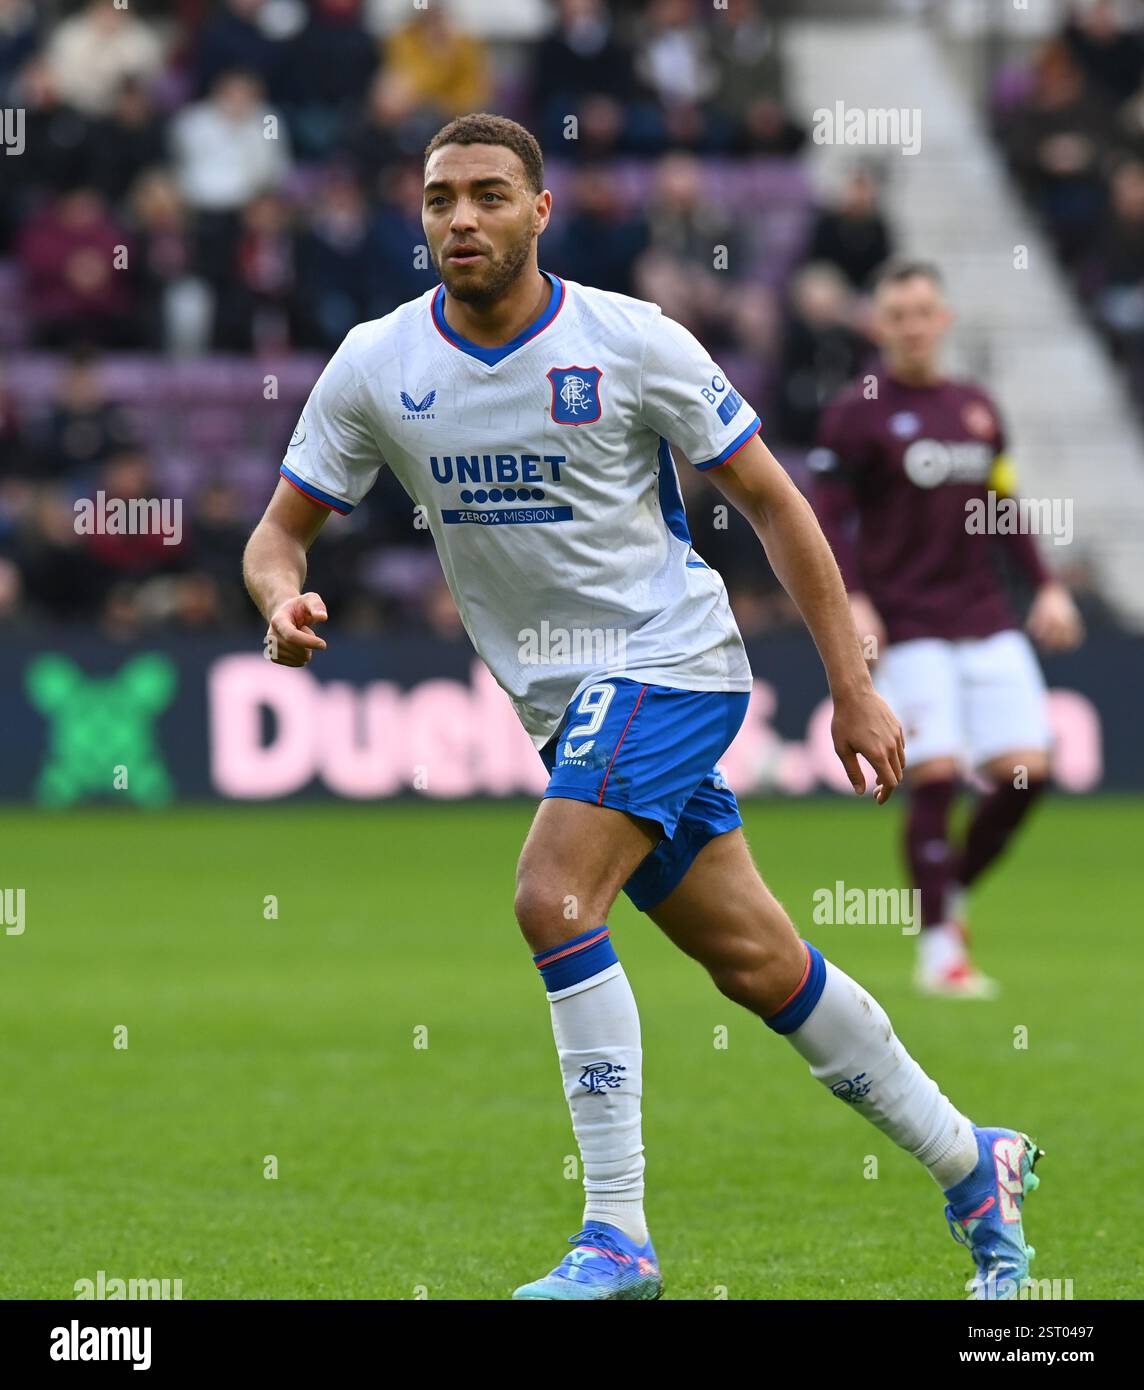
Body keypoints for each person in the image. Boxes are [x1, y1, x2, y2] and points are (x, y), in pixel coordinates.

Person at [243, 114, 1042, 1301]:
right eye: (440, 199)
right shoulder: (374, 363)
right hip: (567, 710)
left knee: (549, 895)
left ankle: (616, 1235)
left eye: (489, 195)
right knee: (759, 962)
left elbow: (774, 502)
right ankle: (972, 1162)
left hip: (673, 662)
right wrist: (280, 601)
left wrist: (852, 685)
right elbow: (276, 534)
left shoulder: (631, 340)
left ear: (539, 211)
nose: (461, 218)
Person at [810, 259, 1084, 999]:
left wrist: (1049, 588)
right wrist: (855, 599)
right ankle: (938, 953)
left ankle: (947, 893)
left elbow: (1005, 506)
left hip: (986, 615)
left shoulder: (976, 407)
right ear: (880, 325)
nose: (912, 325)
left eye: (924, 311)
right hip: (909, 622)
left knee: (1029, 774)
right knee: (934, 775)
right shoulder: (857, 410)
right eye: (897, 314)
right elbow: (827, 518)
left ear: (944, 319)